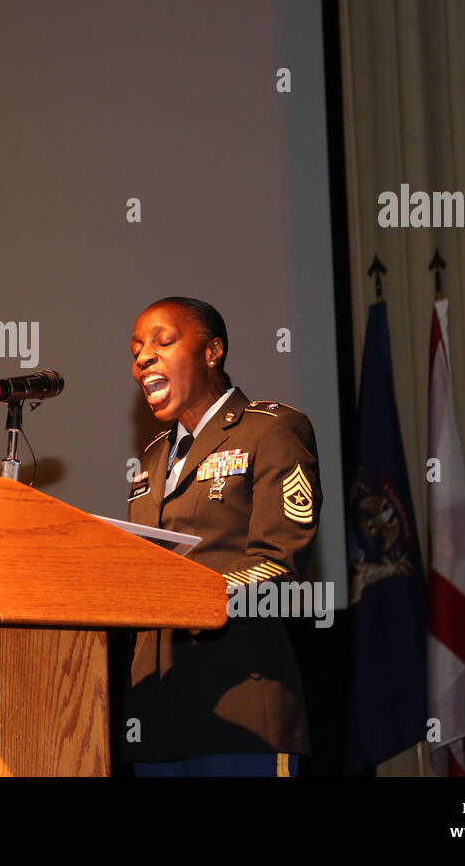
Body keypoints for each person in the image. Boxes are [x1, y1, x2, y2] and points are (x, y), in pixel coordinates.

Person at [124, 297, 322, 776]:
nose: (142, 358)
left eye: (162, 341)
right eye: (136, 350)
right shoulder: (150, 460)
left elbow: (280, 565)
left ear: (212, 351)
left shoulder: (271, 430)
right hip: (155, 720)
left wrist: (188, 597)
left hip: (240, 708)